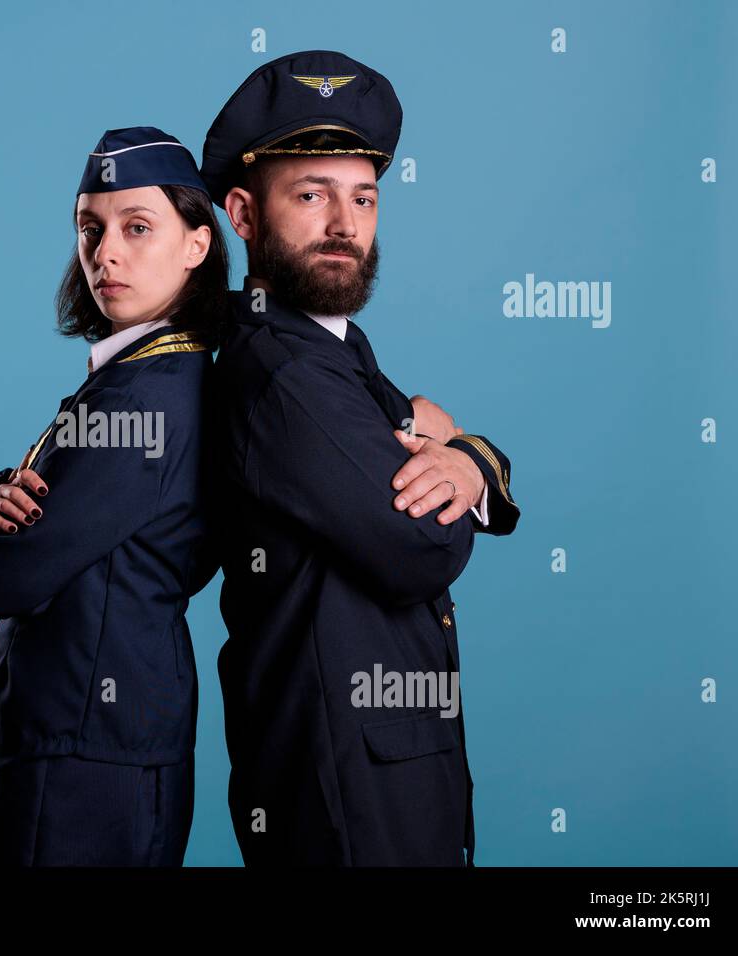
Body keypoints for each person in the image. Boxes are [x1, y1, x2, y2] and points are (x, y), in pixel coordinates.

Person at [199, 50, 521, 866]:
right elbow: (421, 546)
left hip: (383, 761)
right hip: (341, 783)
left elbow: (448, 466)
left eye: (363, 198)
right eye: (311, 196)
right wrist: (456, 449)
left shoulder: (334, 348)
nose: (345, 224)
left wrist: (470, 458)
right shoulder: (285, 371)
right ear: (243, 213)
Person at [0, 126, 230, 866]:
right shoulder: (143, 376)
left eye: (138, 228)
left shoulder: (148, 395)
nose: (105, 253)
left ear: (198, 243)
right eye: (90, 229)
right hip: (89, 739)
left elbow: (8, 573)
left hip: (80, 755)